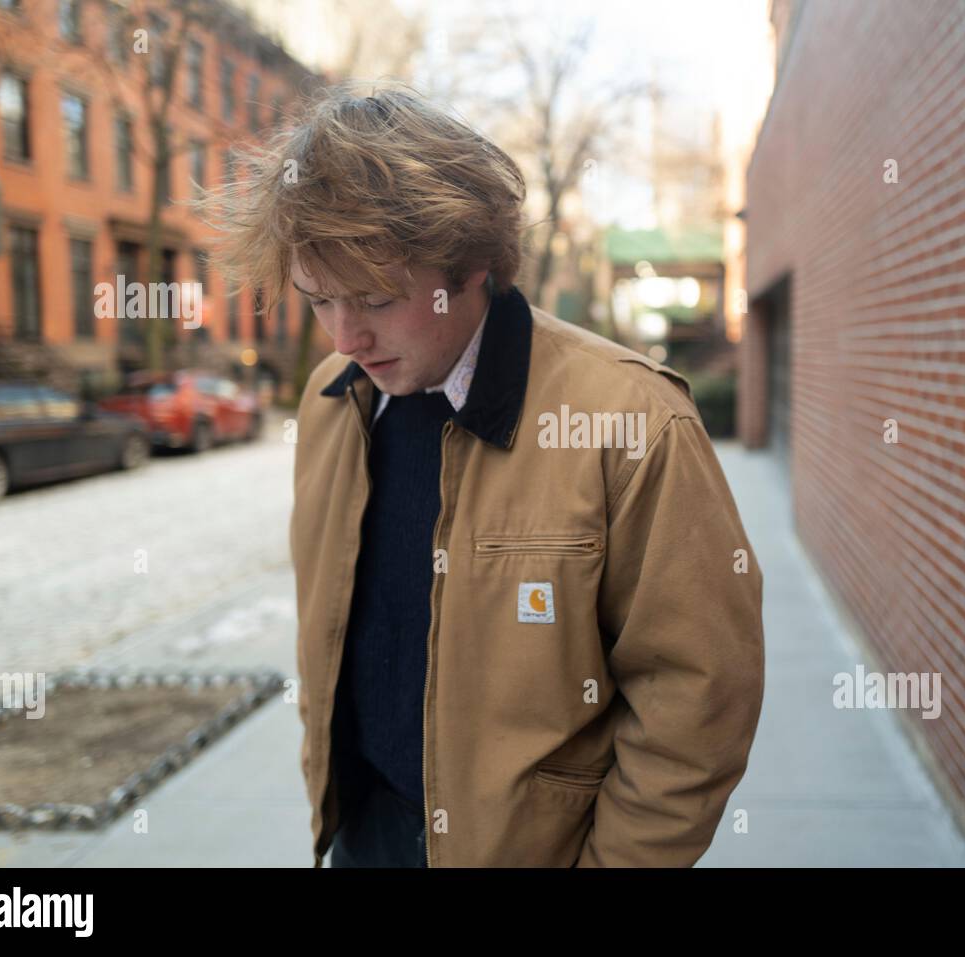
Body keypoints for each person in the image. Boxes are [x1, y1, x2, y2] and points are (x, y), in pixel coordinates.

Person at [198, 79, 765, 867]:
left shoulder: (630, 419)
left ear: (472, 266)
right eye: (318, 299)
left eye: (374, 297)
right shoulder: (330, 405)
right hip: (360, 839)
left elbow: (699, 700)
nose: (347, 333)